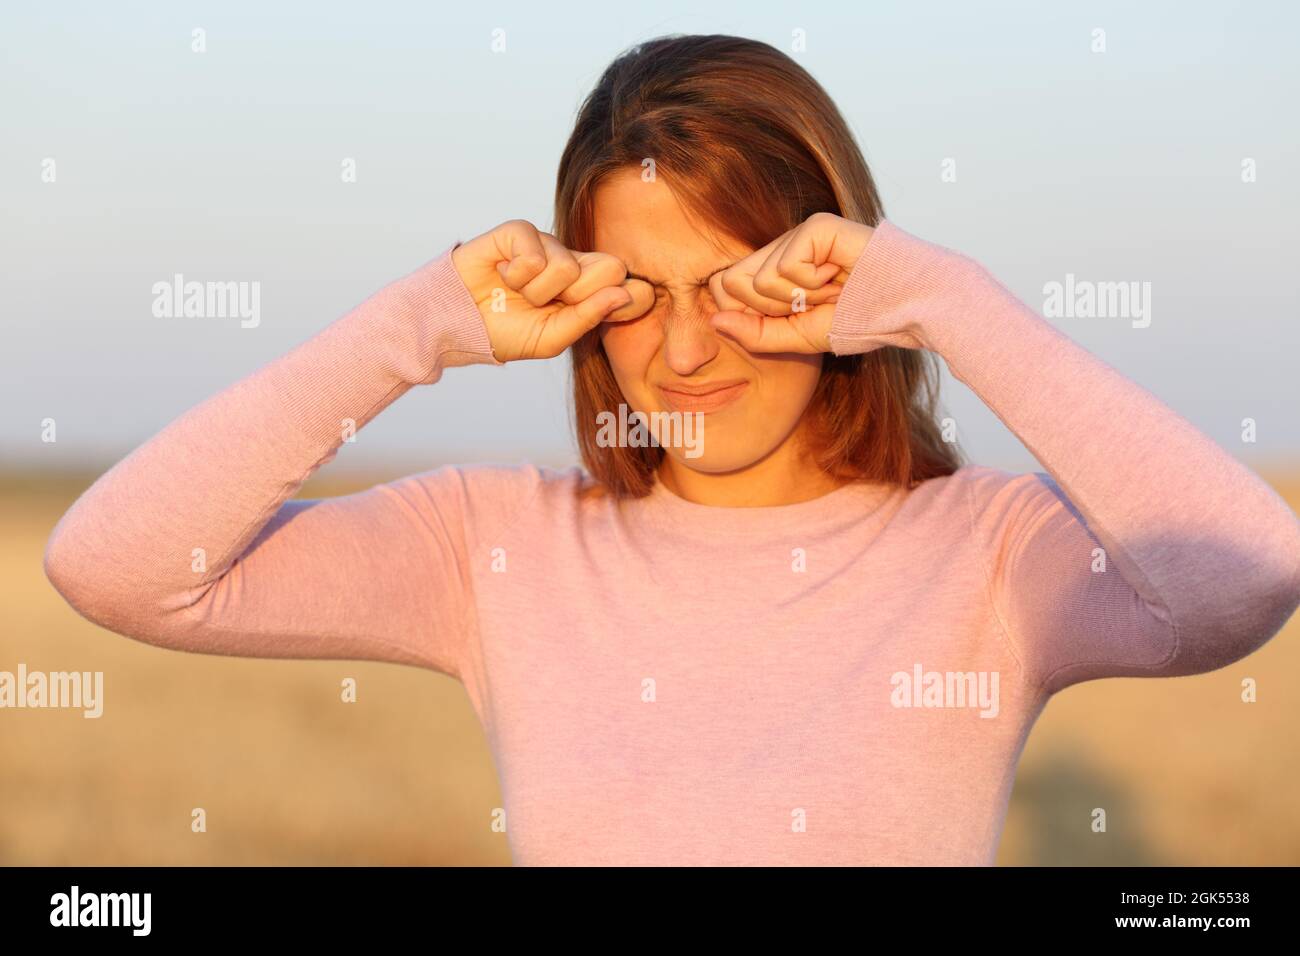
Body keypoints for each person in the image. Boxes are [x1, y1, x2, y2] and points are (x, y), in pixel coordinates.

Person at [43, 34, 1300, 865]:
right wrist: (415, 325)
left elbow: (1246, 572)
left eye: (737, 284)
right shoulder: (498, 543)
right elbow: (119, 565)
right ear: (579, 302)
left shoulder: (989, 551)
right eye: (638, 292)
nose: (686, 350)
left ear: (840, 277)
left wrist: (952, 304)